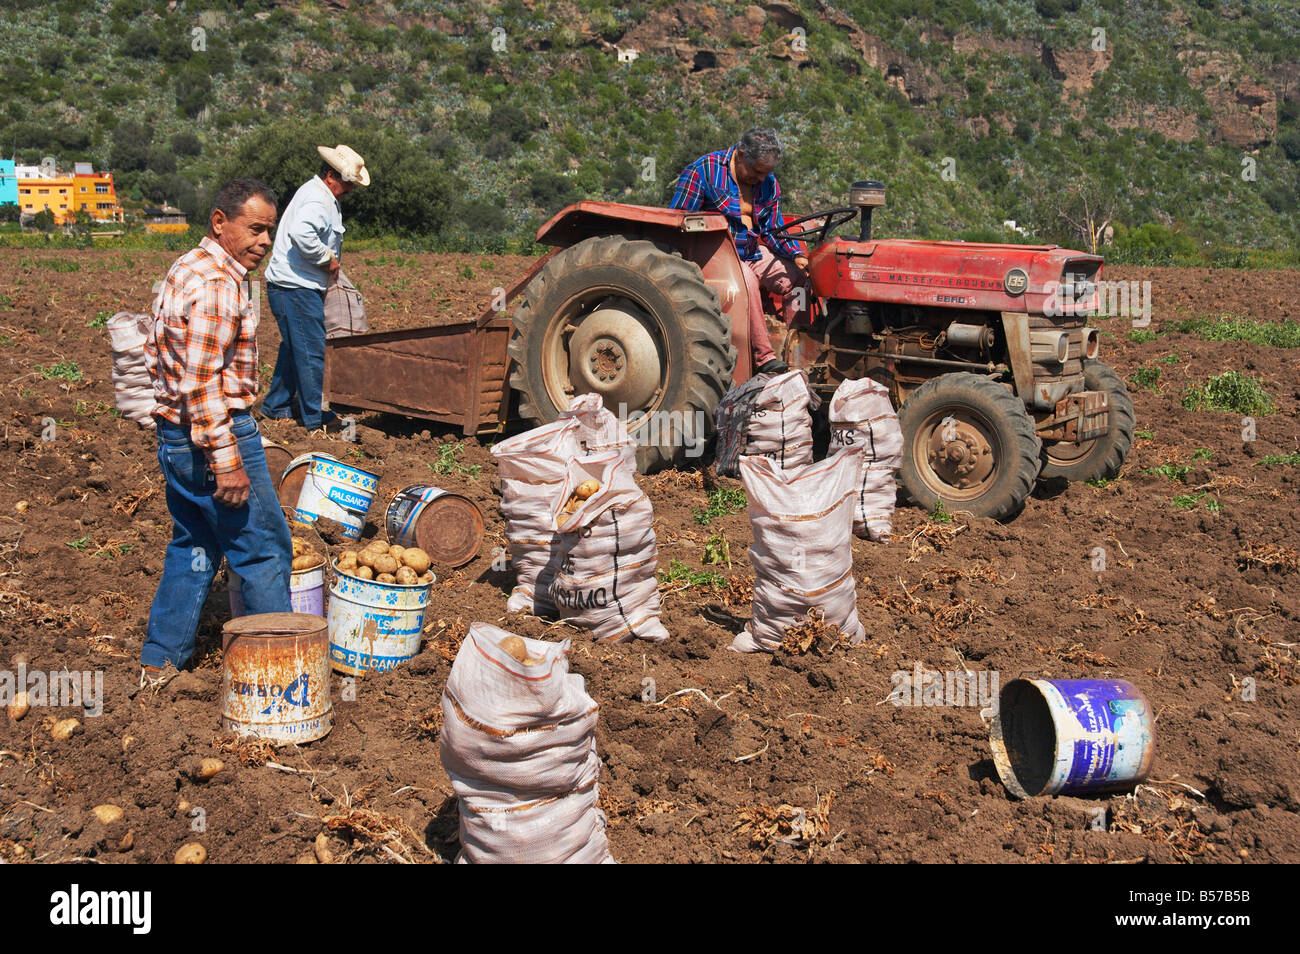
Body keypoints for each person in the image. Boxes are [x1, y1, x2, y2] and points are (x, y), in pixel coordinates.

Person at [141, 179, 293, 683]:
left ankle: (159, 663)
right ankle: (273, 679)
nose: (264, 242)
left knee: (194, 545)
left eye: (269, 231)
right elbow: (202, 382)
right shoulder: (217, 286)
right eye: (254, 229)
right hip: (213, 436)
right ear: (219, 221)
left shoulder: (187, 267)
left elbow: (157, 356)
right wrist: (227, 460)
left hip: (176, 437)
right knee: (264, 551)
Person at [670, 129, 808, 373]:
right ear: (741, 155)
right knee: (746, 281)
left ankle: (799, 350)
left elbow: (773, 228)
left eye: (766, 173)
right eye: (757, 172)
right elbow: (676, 223)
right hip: (715, 256)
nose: (761, 178)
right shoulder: (703, 171)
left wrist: (797, 255)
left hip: (751, 251)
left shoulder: (767, 182)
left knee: (798, 281)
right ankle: (764, 358)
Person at [261, 144, 370, 431]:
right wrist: (327, 259)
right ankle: (314, 419)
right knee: (310, 350)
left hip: (293, 285)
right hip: (295, 287)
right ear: (332, 176)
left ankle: (275, 405)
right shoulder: (318, 200)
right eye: (348, 183)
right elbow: (301, 233)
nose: (350, 190)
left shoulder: (319, 195)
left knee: (295, 348)